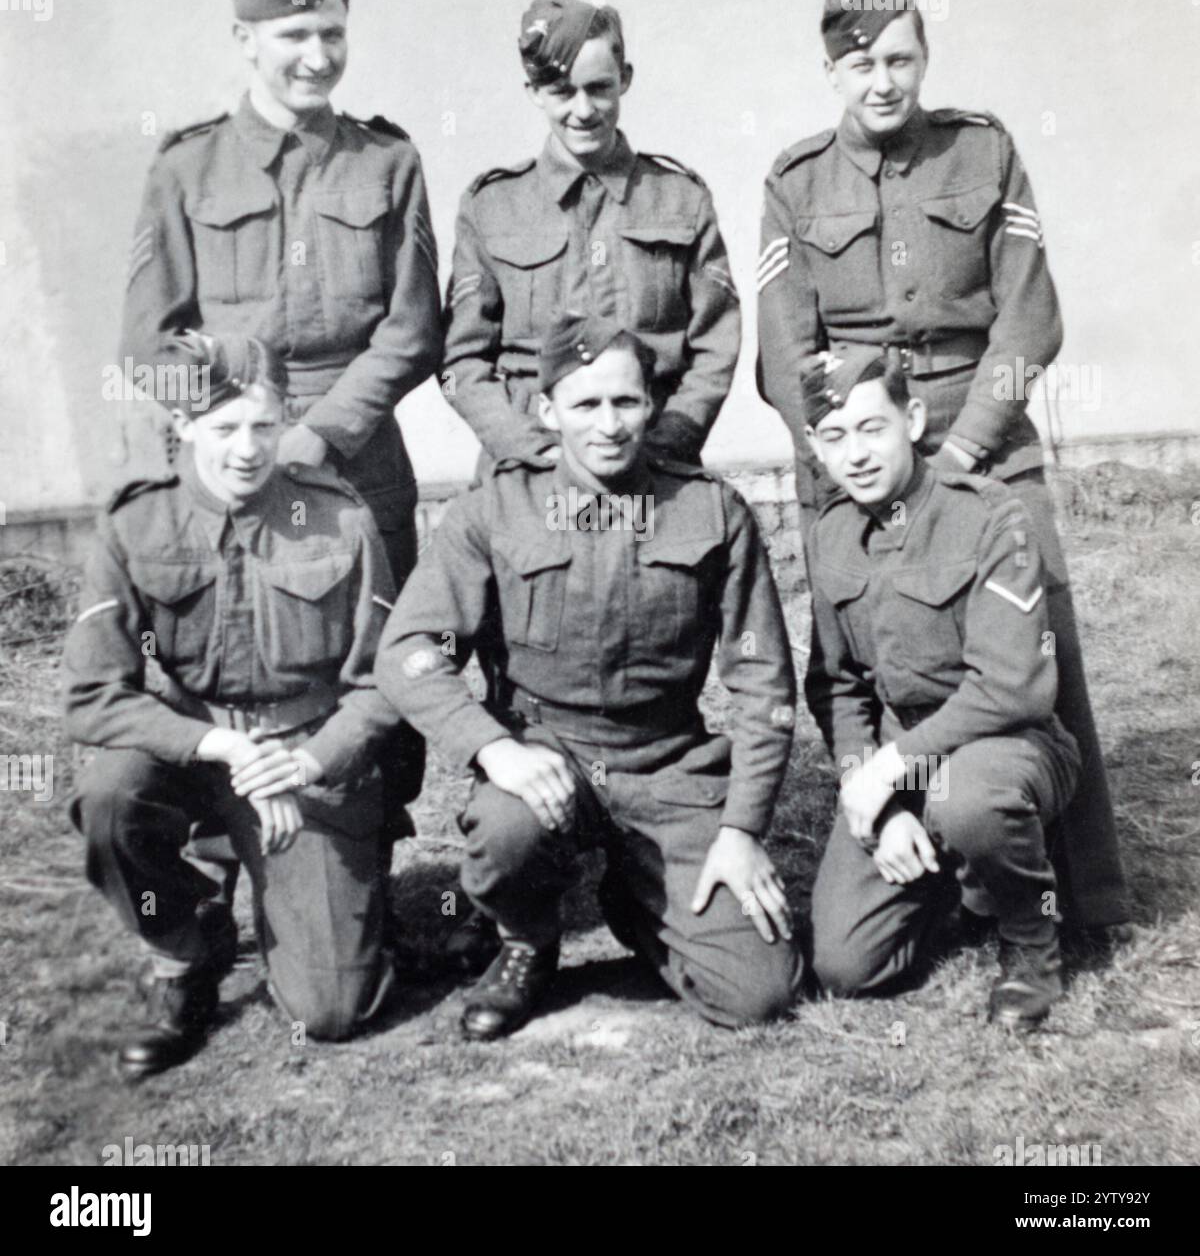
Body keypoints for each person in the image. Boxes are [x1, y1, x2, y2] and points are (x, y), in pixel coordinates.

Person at [756, 0, 1127, 931]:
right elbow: (785, 353)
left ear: (924, 59)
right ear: (828, 69)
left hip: (983, 434)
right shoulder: (793, 185)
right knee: (875, 649)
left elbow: (1029, 323)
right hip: (853, 437)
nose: (882, 81)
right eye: (860, 64)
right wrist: (844, 446)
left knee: (1042, 643)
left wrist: (961, 450)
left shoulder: (985, 151)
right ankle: (910, 859)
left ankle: (1082, 895)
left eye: (900, 60)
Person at [119, 0, 440, 910]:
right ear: (245, 39)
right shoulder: (186, 168)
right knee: (217, 653)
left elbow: (415, 325)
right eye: (294, 32)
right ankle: (210, 889)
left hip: (353, 460)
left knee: (375, 659)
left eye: (332, 32)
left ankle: (363, 875)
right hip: (227, 464)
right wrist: (240, 430)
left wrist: (319, 434)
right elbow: (146, 341)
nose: (316, 54)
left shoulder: (386, 161)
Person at [374, 316, 798, 1040]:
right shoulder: (495, 510)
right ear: (547, 411)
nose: (608, 425)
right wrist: (491, 747)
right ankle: (525, 941)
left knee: (760, 991)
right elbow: (410, 648)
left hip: (667, 764)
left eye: (626, 403)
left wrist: (740, 829)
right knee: (508, 832)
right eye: (586, 405)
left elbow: (764, 684)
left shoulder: (709, 509)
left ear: (653, 405)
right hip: (546, 752)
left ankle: (640, 902)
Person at [64, 334, 399, 1077]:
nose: (247, 449)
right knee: (109, 796)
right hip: (191, 749)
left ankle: (332, 905)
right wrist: (223, 747)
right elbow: (94, 695)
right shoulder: (134, 526)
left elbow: (385, 681)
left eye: (264, 426)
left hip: (302, 756)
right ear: (183, 426)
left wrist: (304, 762)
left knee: (334, 1011)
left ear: (286, 422)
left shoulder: (338, 518)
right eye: (223, 428)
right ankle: (185, 949)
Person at [801, 346, 1081, 1029]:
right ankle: (952, 884)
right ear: (815, 447)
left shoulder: (988, 513)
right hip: (903, 758)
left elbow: (1012, 687)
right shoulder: (830, 535)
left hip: (1007, 744)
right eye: (835, 437)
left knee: (969, 801)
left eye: (873, 428)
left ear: (914, 419)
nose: (856, 454)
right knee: (847, 967)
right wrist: (876, 800)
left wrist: (891, 770)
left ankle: (1030, 940)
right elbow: (838, 688)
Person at [441, 0, 740, 471]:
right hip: (529, 473)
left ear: (625, 79)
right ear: (534, 92)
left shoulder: (681, 199)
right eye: (561, 91)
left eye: (599, 87)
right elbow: (461, 362)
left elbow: (715, 346)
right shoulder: (490, 207)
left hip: (656, 466)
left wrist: (668, 443)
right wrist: (530, 449)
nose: (583, 110)